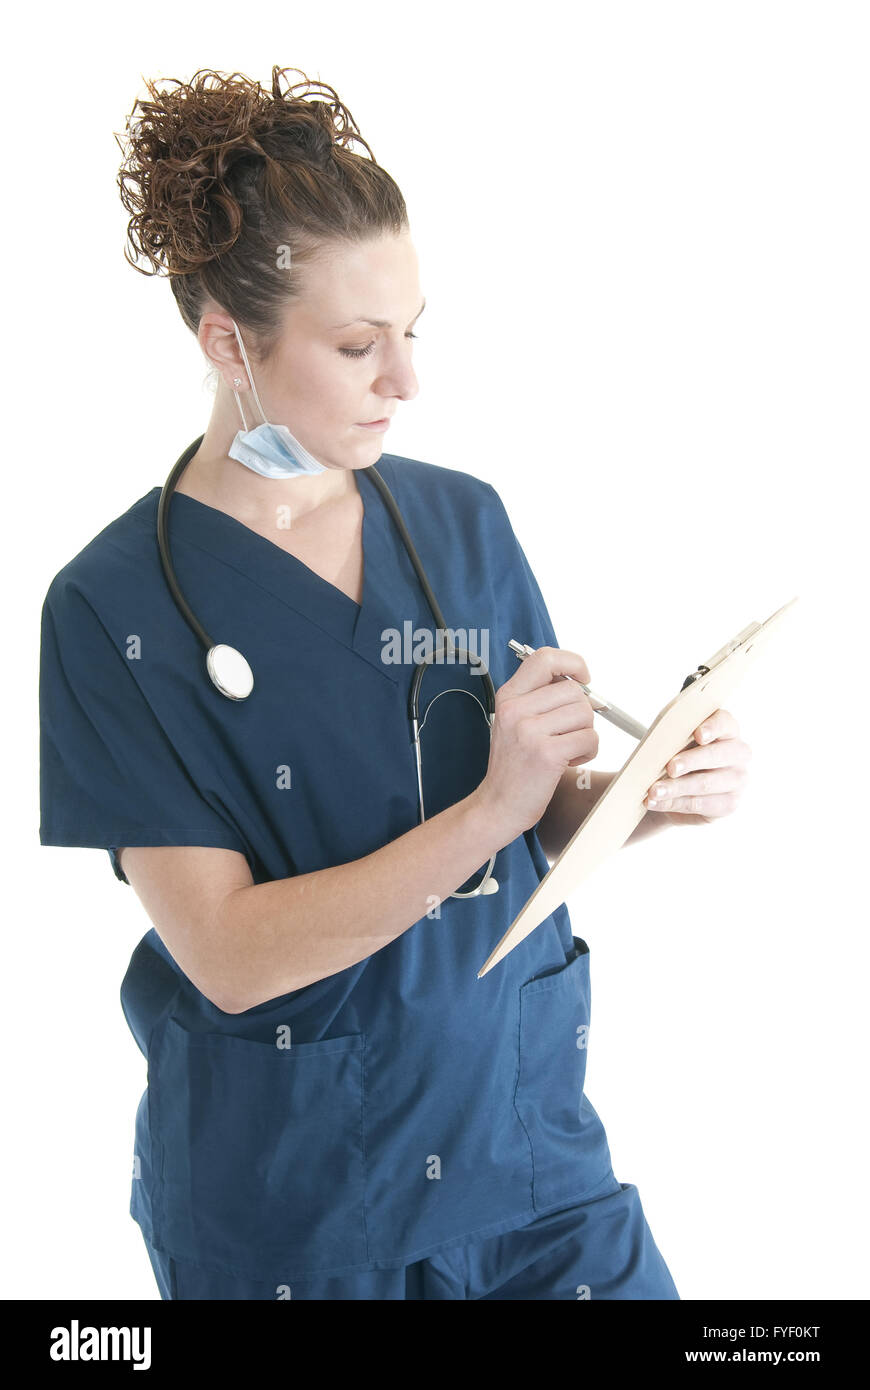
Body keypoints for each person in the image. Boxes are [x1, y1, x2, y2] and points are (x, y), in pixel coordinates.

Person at [38, 65, 751, 1301]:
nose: (406, 382)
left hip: (528, 1157)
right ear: (227, 343)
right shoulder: (115, 610)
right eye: (360, 345)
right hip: (299, 1206)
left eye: (414, 332)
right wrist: (491, 810)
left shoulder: (462, 524)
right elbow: (228, 954)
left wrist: (640, 796)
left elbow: (532, 823)